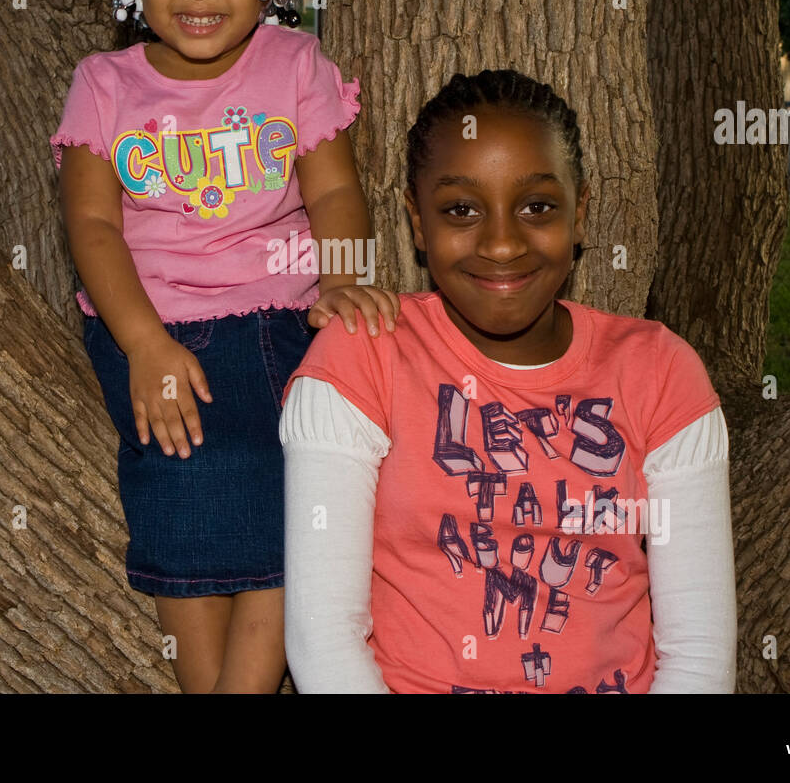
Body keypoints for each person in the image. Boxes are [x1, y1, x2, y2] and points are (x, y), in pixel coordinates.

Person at [53, 0, 399, 694]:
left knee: (298, 496)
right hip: (152, 324)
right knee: (183, 474)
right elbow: (91, 226)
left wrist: (341, 281)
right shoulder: (105, 84)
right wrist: (142, 344)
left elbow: (335, 189)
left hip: (279, 315)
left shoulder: (292, 66)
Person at [280, 70, 737, 693]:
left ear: (581, 213)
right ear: (417, 223)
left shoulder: (660, 370)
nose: (500, 244)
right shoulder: (363, 358)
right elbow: (323, 636)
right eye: (461, 210)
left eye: (537, 207)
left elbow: (701, 652)